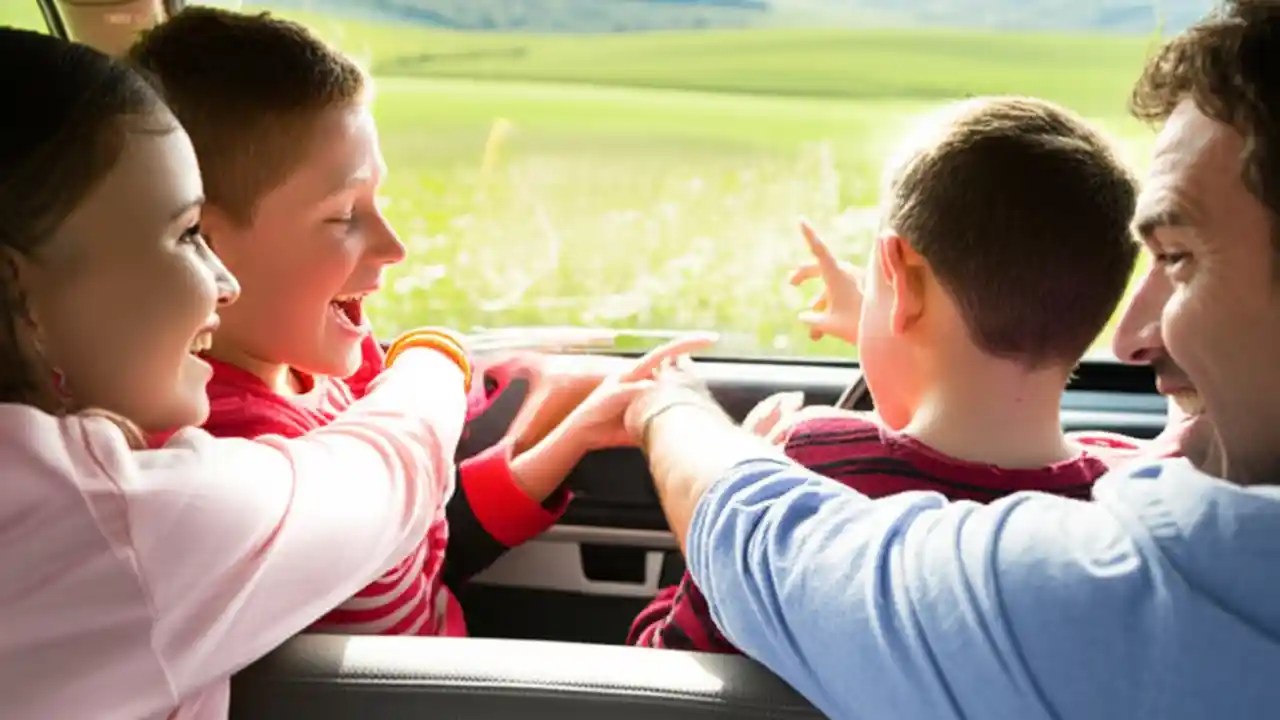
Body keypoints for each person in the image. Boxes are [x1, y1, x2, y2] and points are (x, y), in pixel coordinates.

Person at [615, 1, 1280, 717]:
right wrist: (896, 320)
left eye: (1179, 261)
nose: (1134, 340)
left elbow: (720, 596)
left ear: (899, 279)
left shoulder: (810, 457)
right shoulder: (1126, 480)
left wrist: (667, 404)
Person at [126, 7, 649, 637]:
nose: (394, 245)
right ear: (200, 244)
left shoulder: (305, 370)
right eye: (344, 215)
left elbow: (411, 544)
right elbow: (388, 604)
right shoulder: (226, 447)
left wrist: (556, 446)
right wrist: (433, 361)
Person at [0, 28, 468, 719]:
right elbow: (388, 474)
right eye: (188, 235)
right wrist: (437, 359)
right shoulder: (117, 526)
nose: (224, 283)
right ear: (20, 295)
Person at [628, 96, 1139, 653]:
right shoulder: (1128, 493)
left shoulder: (803, 467)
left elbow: (666, 660)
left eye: (877, 281)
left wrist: (737, 481)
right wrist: (892, 319)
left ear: (899, 274)